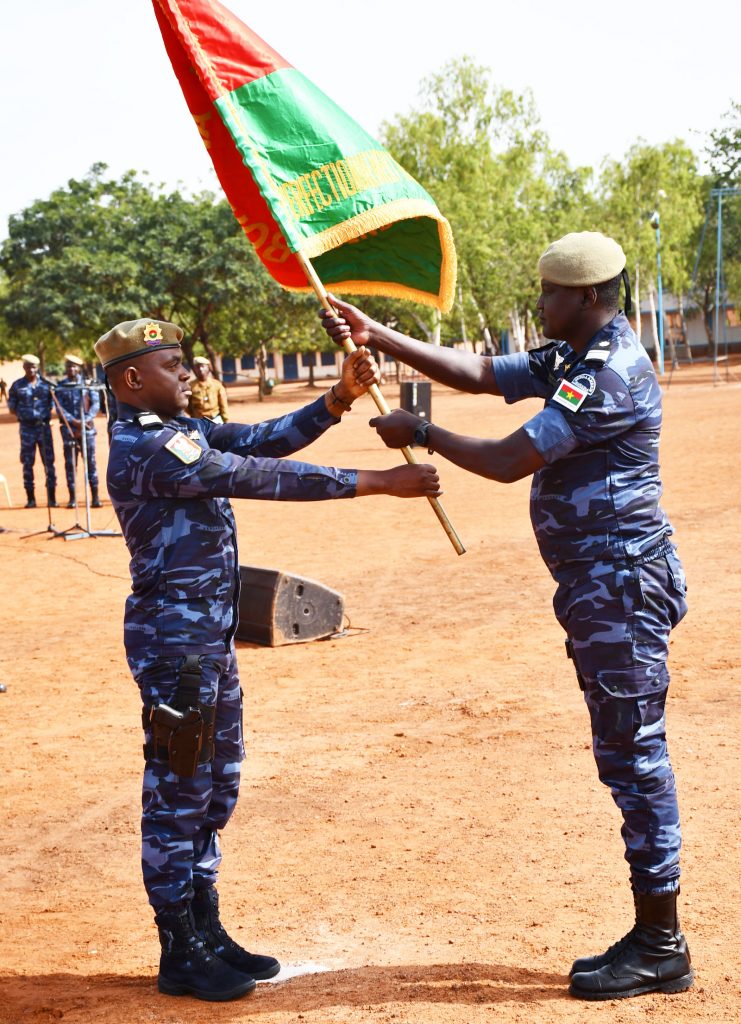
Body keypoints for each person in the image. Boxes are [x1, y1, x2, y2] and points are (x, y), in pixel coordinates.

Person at [320, 231, 693, 1003]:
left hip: (619, 586)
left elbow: (508, 457)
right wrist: (376, 334)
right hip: (599, 586)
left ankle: (662, 944)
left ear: (585, 297)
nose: (541, 303)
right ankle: (653, 932)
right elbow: (484, 373)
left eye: (551, 294)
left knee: (634, 754)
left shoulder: (607, 373)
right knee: (623, 752)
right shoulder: (575, 354)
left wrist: (422, 433)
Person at [95, 317, 440, 1003]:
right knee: (178, 789)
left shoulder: (180, 433)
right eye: (172, 365)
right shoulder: (143, 447)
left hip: (206, 639)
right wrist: (376, 481)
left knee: (216, 784)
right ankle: (178, 949)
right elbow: (253, 474)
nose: (187, 374)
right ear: (132, 379)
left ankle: (206, 927)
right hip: (174, 644)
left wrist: (336, 400)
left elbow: (259, 439)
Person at [7, 354, 57, 508]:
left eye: (34, 367)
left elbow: (52, 404)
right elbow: (12, 408)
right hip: (27, 428)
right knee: (27, 463)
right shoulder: (17, 386)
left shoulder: (47, 385)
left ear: (37, 368)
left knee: (49, 462)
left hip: (43, 428)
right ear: (24, 367)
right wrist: (25, 416)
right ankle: (31, 499)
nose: (31, 369)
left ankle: (51, 498)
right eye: (28, 366)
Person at [54, 354, 102, 508]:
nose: (71, 369)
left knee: (91, 464)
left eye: (74, 366)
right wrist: (74, 422)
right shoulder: (61, 386)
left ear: (79, 368)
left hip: (87, 430)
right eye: (68, 366)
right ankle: (72, 498)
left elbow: (96, 405)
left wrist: (84, 421)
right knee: (70, 464)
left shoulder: (87, 384)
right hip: (69, 430)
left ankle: (95, 497)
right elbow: (58, 407)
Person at [188, 356, 230, 423]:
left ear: (208, 368)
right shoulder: (190, 386)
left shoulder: (217, 385)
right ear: (194, 369)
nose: (200, 369)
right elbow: (187, 406)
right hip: (198, 421)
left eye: (202, 366)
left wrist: (225, 420)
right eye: (197, 367)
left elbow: (223, 405)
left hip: (215, 420)